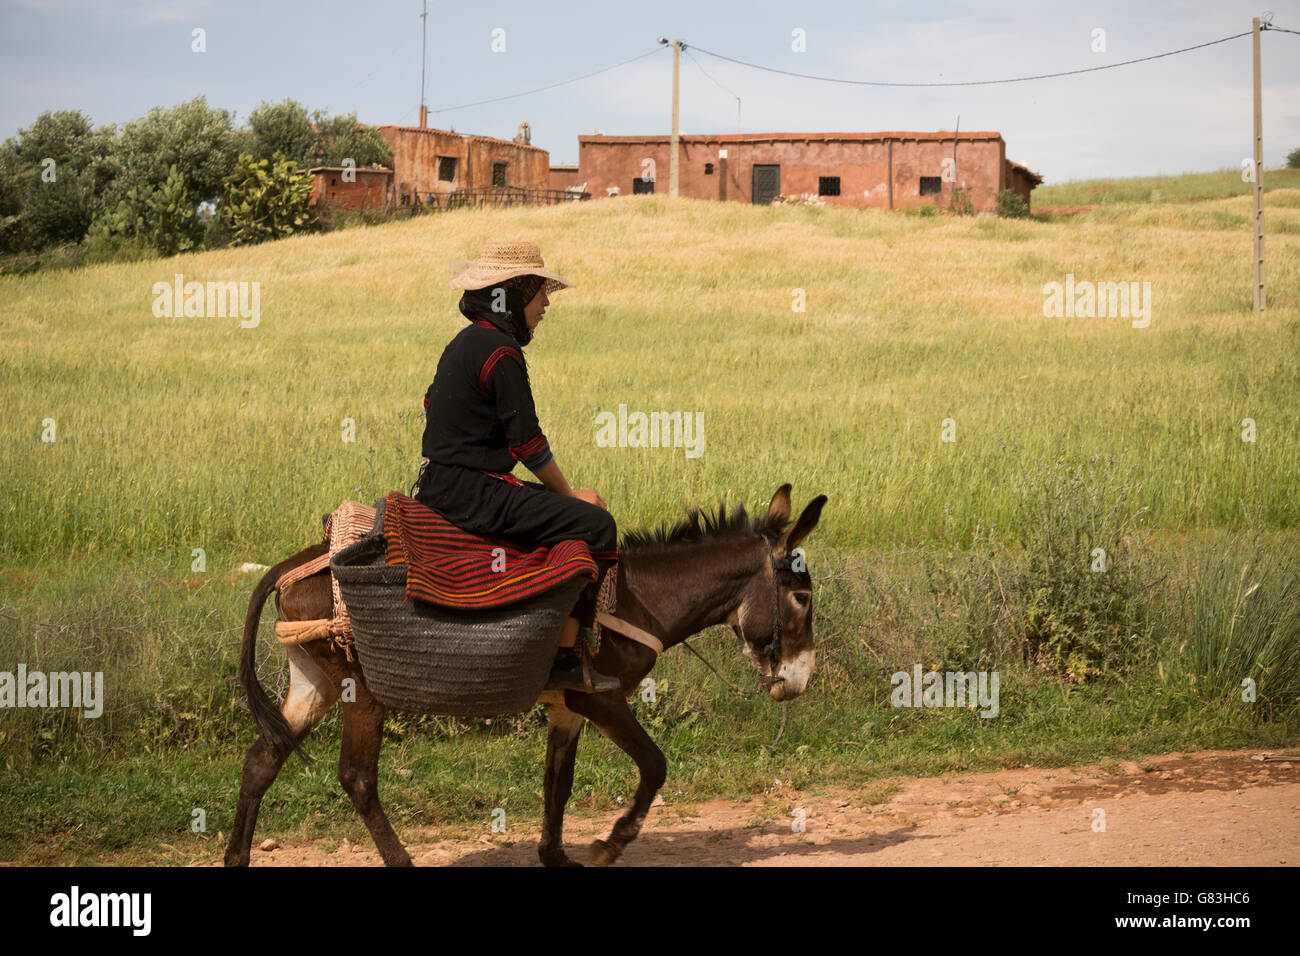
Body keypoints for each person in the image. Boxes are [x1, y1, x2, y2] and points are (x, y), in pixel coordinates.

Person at [415, 240, 621, 693]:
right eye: (539, 292)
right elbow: (528, 443)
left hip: (442, 485)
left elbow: (433, 409)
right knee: (597, 524)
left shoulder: (464, 343)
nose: (547, 303)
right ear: (513, 294)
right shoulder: (502, 352)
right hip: (475, 495)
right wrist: (571, 497)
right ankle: (566, 657)